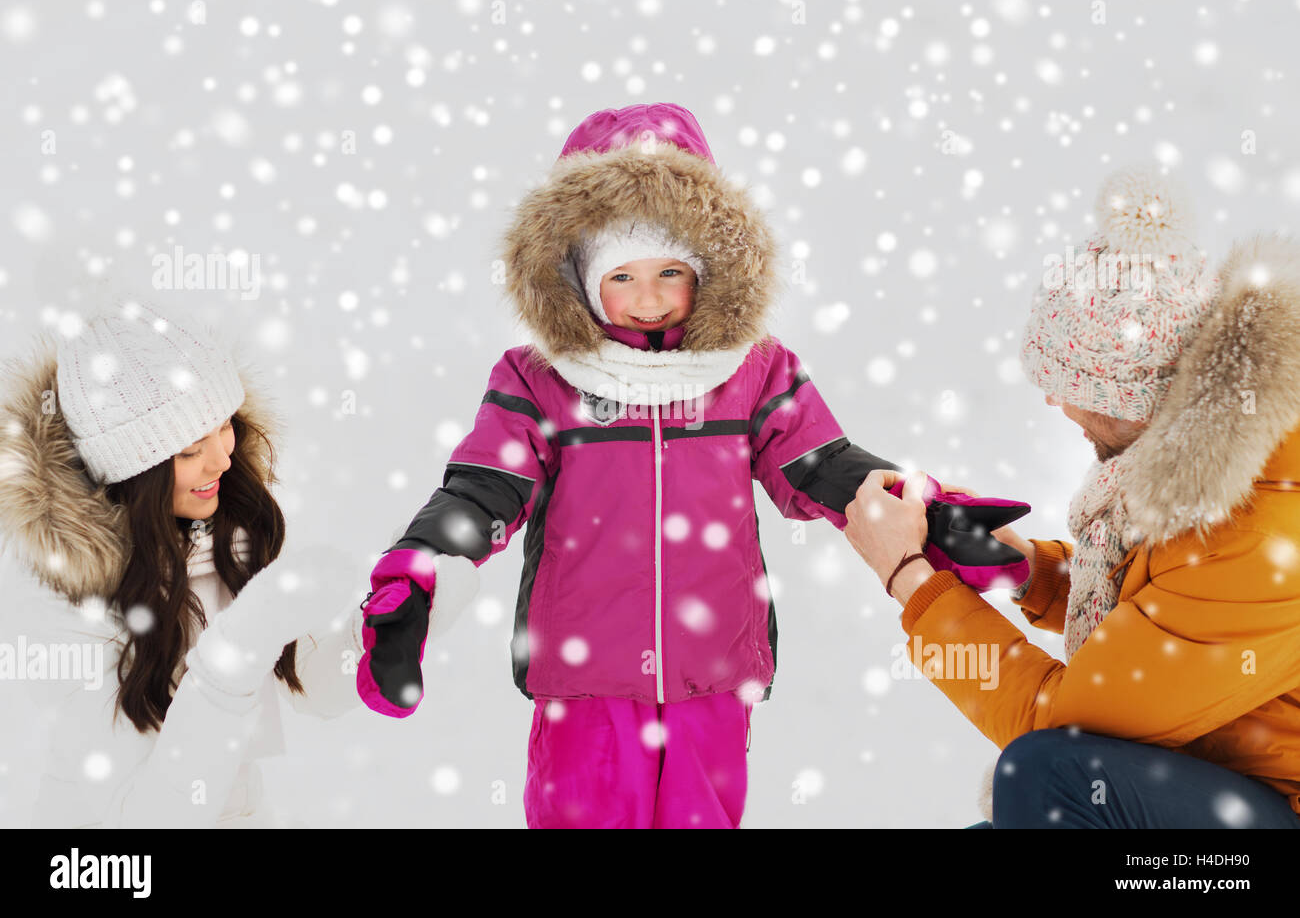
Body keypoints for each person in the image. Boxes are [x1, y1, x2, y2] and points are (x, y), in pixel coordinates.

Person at [353, 102, 925, 829]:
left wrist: (924, 513)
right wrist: (419, 575)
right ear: (581, 276)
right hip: (587, 686)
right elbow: (484, 486)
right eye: (621, 275)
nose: (648, 299)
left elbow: (822, 465)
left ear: (708, 268)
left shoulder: (750, 370)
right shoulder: (543, 378)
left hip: (711, 679)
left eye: (670, 271)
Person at [844, 165, 1300, 828]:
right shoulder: (1212, 474)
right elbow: (1159, 621)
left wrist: (910, 581)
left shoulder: (1256, 534)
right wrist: (1028, 570)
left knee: (1042, 777)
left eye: (1075, 386)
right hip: (1225, 791)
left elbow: (1057, 725)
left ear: (1139, 399)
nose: (1056, 402)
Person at [0, 297, 369, 827]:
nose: (222, 457)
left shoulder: (224, 537)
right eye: (191, 446)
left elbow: (308, 681)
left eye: (224, 425)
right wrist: (234, 654)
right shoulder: (66, 600)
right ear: (135, 471)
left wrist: (385, 630)